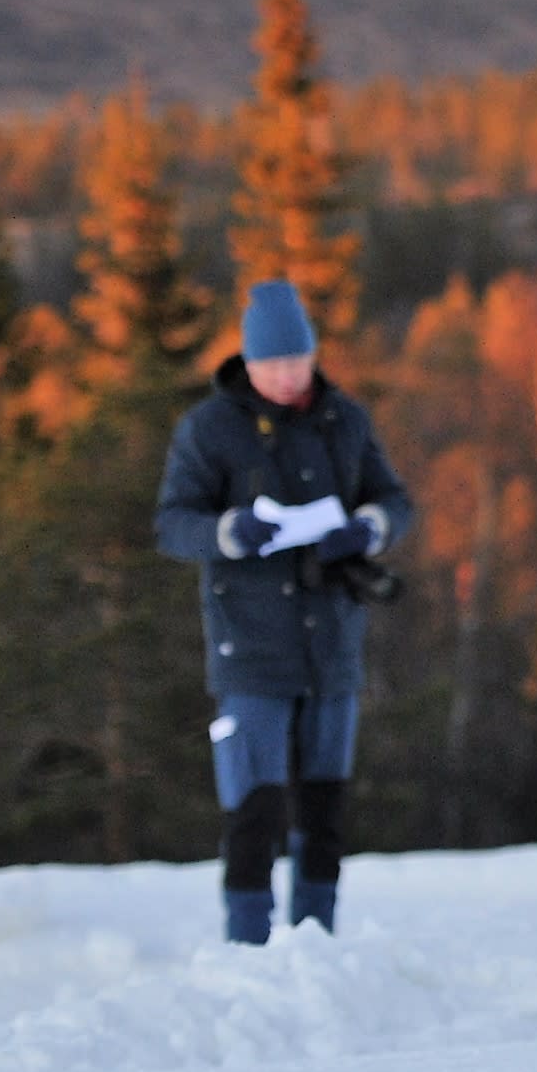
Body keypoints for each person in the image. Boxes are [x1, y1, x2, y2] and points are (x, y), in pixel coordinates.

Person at [155, 279, 414, 945]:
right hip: (250, 651)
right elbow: (172, 522)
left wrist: (368, 528)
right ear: (248, 361)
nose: (287, 376)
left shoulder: (344, 419)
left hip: (331, 647)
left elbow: (395, 499)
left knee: (323, 809)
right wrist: (228, 532)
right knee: (254, 809)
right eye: (272, 365)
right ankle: (248, 948)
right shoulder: (207, 429)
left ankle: (316, 943)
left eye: (296, 362)